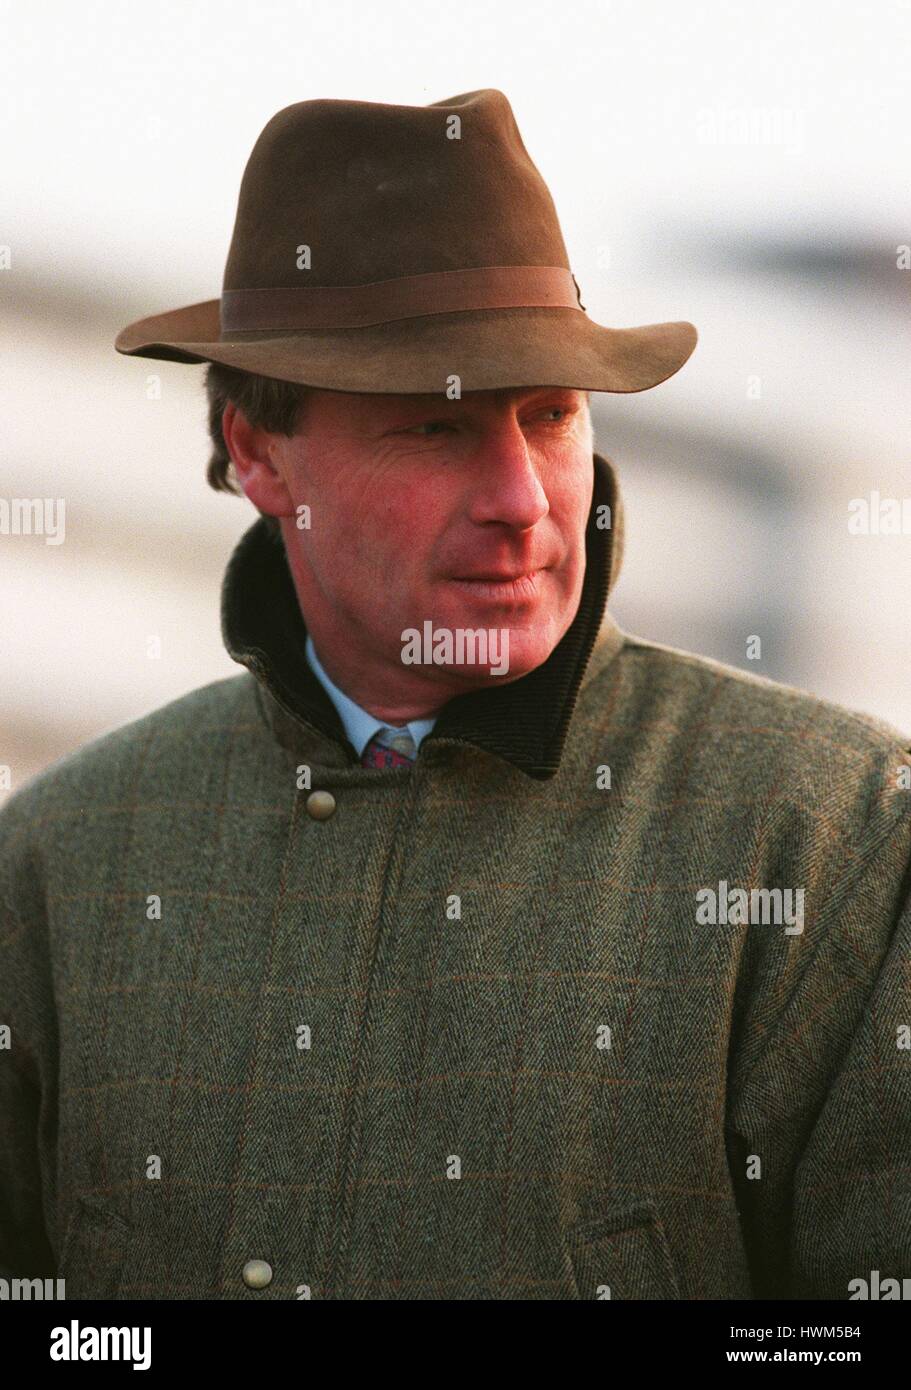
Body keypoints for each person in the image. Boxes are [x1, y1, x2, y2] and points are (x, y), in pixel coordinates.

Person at [1, 89, 908, 1301]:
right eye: (435, 428)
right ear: (260, 453)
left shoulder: (834, 832)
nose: (523, 499)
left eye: (548, 416)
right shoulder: (59, 863)